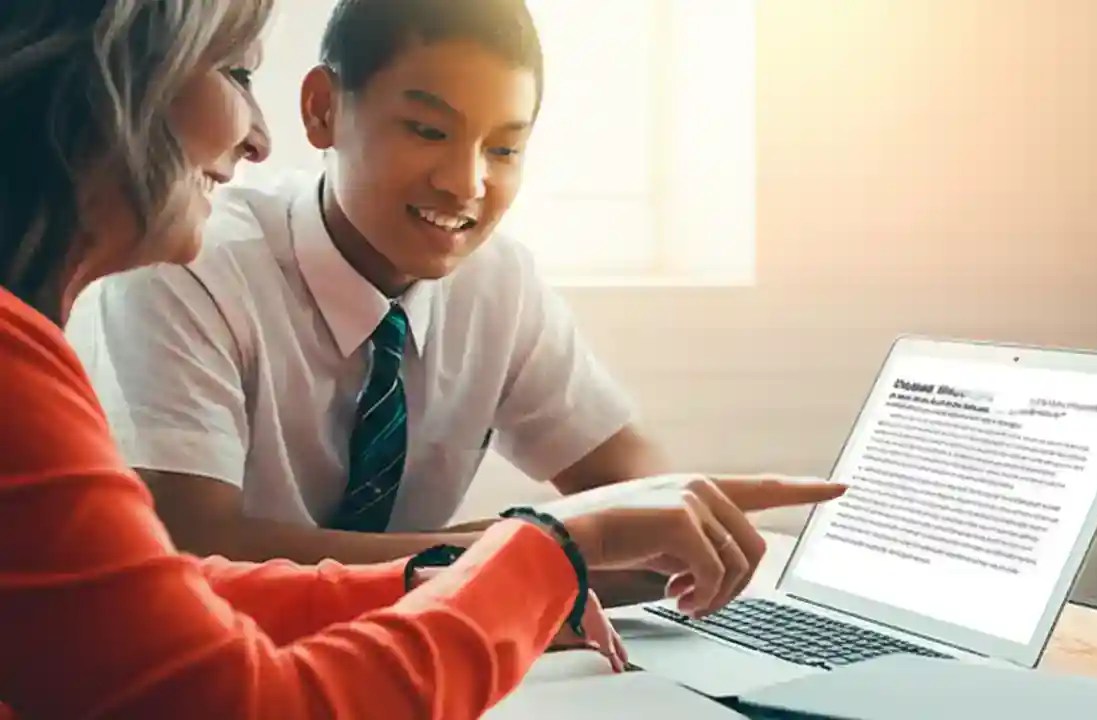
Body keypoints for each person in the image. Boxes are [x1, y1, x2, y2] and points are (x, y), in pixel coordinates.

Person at [0, 1, 845, 718]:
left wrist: (528, 560)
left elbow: (198, 591)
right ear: (109, 89)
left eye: (506, 148)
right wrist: (535, 549)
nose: (256, 139)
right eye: (236, 73)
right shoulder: (53, 354)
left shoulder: (27, 348)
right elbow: (225, 649)